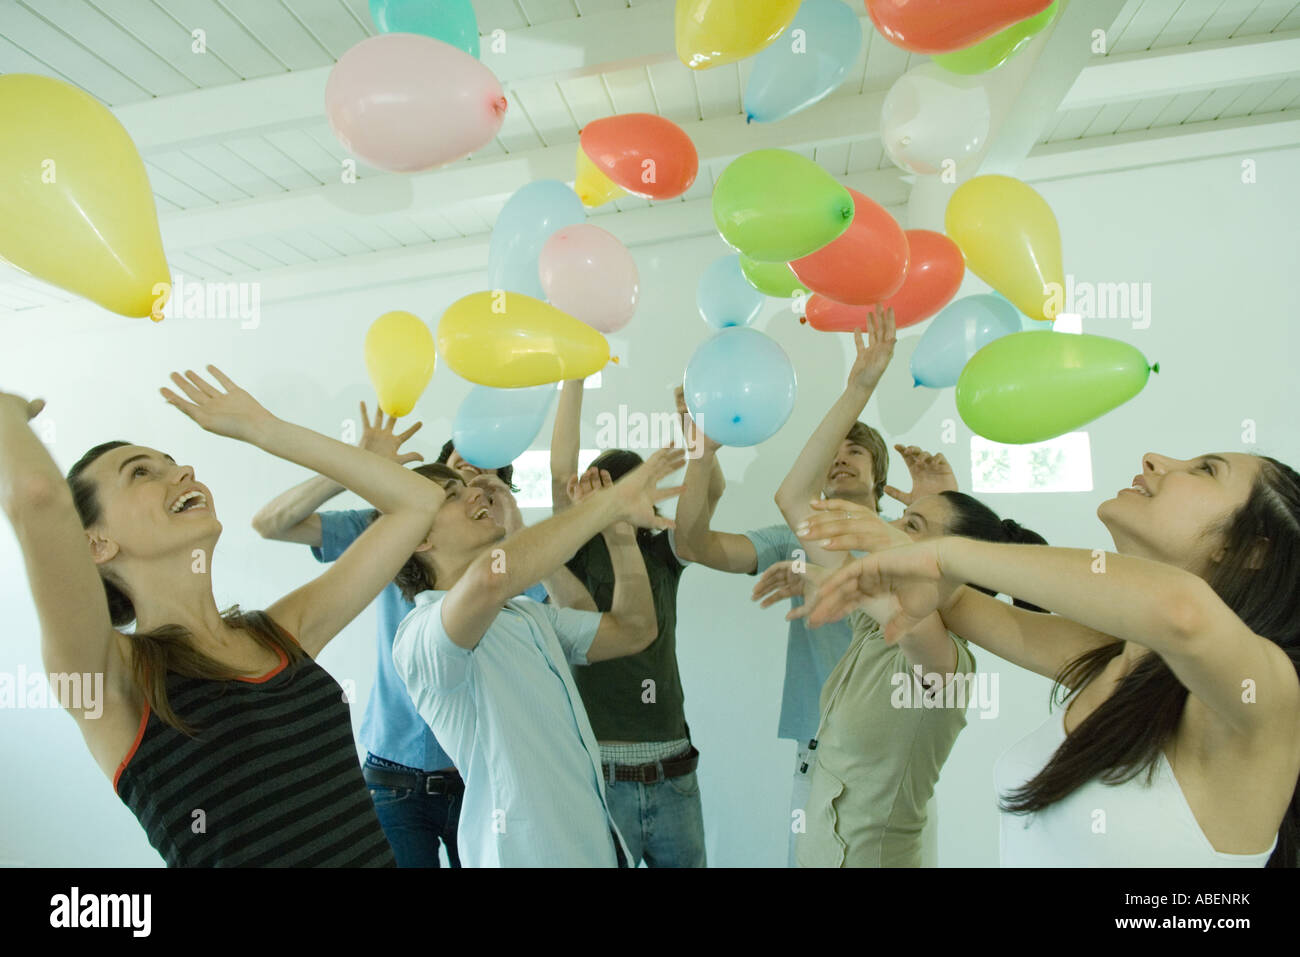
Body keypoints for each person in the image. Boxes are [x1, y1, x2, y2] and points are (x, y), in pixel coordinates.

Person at [0, 368, 445, 867]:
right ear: (96, 544)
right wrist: (6, 411)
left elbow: (419, 501)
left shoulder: (280, 633)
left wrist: (262, 427)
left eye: (173, 463)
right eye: (141, 472)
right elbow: (38, 494)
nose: (182, 472)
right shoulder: (111, 678)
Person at [804, 450, 1300, 867]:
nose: (1155, 459)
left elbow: (1181, 612)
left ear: (1250, 549)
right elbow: (950, 600)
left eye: (1205, 470)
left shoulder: (1265, 694)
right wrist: (920, 528)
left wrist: (943, 552)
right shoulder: (1113, 662)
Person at [675, 307, 951, 863]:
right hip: (821, 751)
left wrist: (940, 506)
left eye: (856, 450)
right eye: (833, 451)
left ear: (880, 473)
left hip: (899, 752)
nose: (842, 458)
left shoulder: (906, 538)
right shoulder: (792, 537)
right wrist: (700, 459)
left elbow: (963, 597)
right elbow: (692, 546)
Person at [251, 409, 562, 867]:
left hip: (481, 780)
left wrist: (514, 532)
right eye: (459, 474)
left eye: (484, 481)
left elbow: (556, 617)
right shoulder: (389, 528)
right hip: (392, 781)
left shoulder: (508, 558)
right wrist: (352, 464)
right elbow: (271, 523)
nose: (471, 485)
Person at [391, 446, 687, 866]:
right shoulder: (420, 634)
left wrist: (619, 533)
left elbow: (634, 629)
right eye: (452, 496)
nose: (474, 493)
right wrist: (606, 504)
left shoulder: (527, 613)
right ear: (420, 538)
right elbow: (491, 579)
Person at [754, 488, 1048, 866]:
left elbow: (911, 624)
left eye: (910, 525)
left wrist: (832, 578)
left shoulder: (945, 661)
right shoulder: (873, 629)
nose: (888, 527)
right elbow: (792, 496)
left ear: (952, 557)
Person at [545, 381, 721, 867]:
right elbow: (561, 469)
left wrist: (700, 443)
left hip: (674, 771)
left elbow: (707, 494)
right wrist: (574, 377)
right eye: (609, 491)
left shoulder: (665, 549)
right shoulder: (575, 549)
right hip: (601, 773)